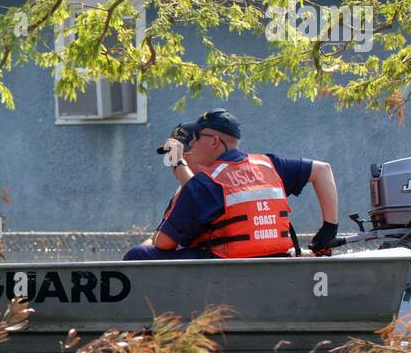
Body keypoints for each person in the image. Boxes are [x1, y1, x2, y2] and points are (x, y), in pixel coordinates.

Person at [124, 108, 339, 261]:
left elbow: (164, 244)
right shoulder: (270, 164)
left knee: (136, 256)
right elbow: (323, 170)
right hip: (275, 258)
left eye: (195, 139)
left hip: (224, 267)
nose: (192, 144)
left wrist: (178, 165)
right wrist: (329, 230)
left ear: (214, 141)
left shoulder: (205, 183)